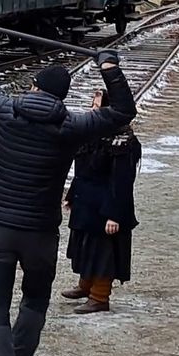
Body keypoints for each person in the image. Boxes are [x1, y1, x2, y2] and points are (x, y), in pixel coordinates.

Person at [0, 22, 136, 356]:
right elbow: (122, 112)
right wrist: (110, 69)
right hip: (40, 233)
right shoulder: (72, 126)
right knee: (35, 301)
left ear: (34, 87)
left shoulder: (5, 112)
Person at [62, 89, 142, 313]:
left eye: (98, 106)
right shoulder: (94, 134)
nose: (92, 110)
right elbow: (83, 170)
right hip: (87, 202)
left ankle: (99, 296)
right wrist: (71, 196)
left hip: (107, 206)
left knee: (102, 252)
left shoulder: (122, 142)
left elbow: (122, 181)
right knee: (86, 246)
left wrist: (115, 214)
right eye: (93, 105)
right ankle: (85, 285)